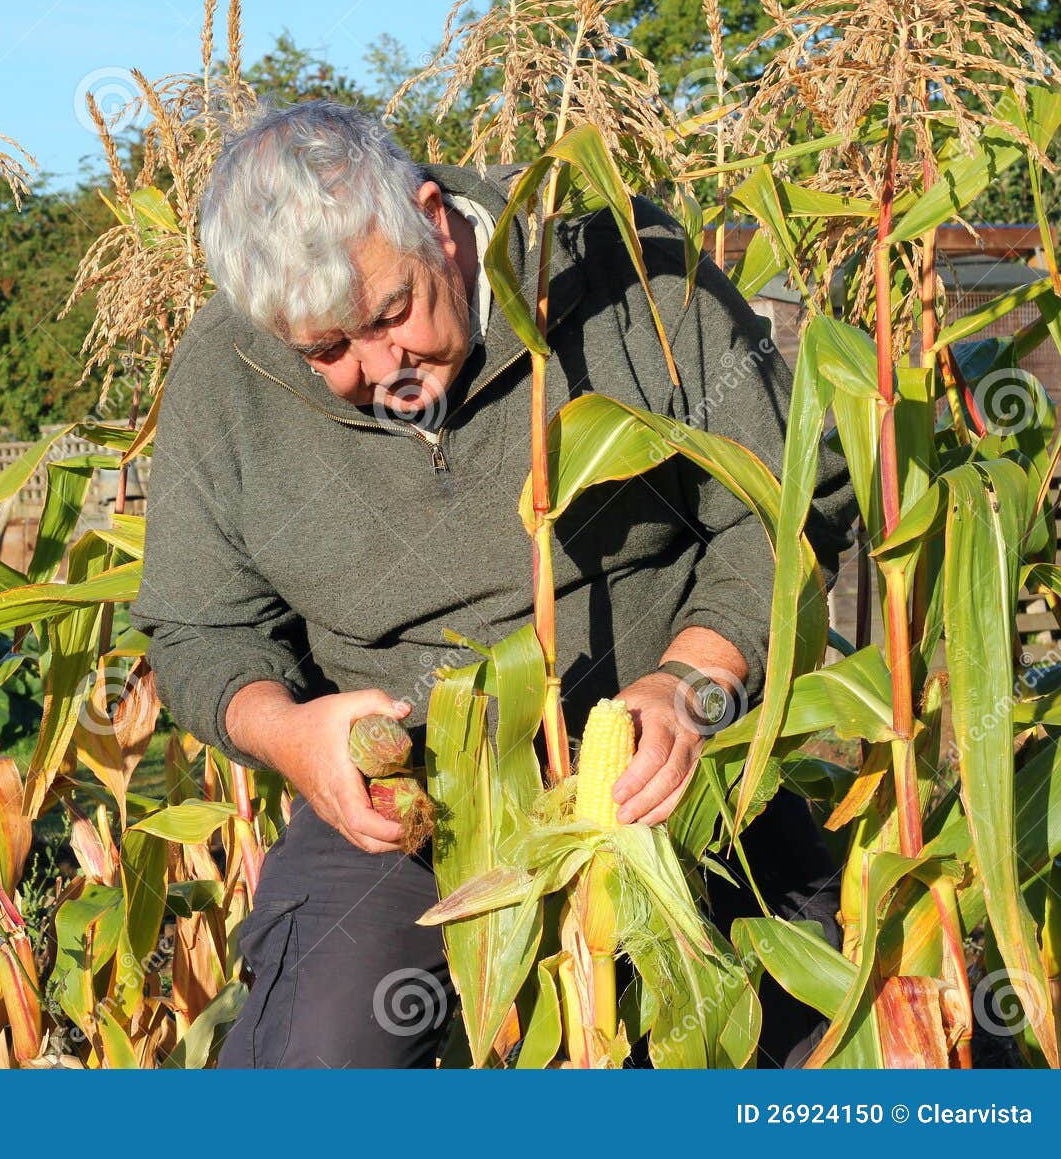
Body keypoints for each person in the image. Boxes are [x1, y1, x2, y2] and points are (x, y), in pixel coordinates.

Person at [129, 100, 858, 1068]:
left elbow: (788, 508)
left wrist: (695, 683)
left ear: (433, 216)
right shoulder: (223, 378)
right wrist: (293, 735)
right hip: (415, 806)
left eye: (390, 314)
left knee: (831, 1038)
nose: (379, 369)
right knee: (310, 1058)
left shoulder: (629, 273)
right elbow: (197, 633)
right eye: (325, 352)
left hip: (671, 763)